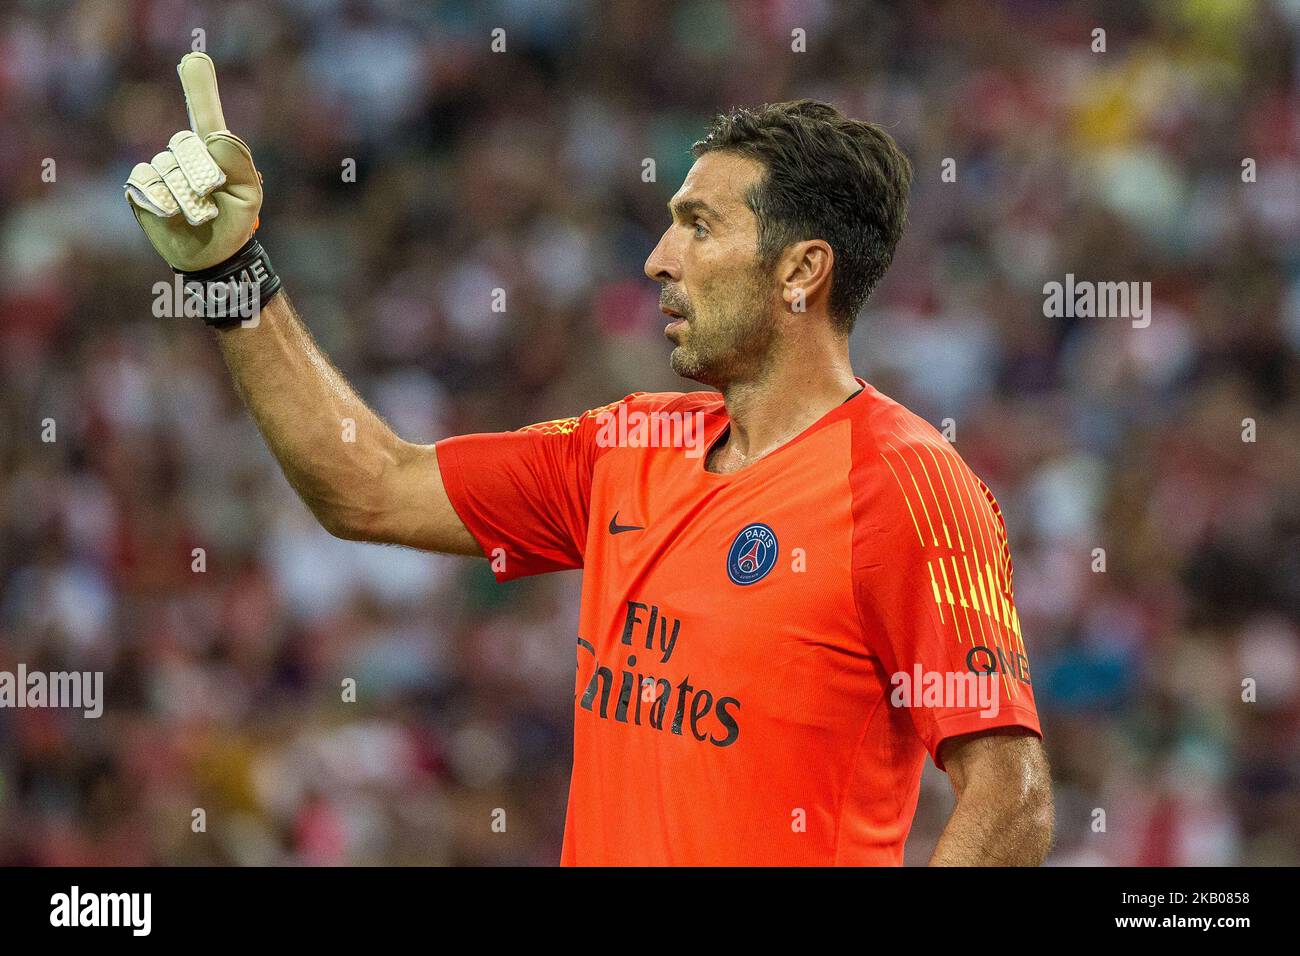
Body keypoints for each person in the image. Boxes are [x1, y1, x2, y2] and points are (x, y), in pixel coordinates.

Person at [126, 52, 1053, 865]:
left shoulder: (905, 483)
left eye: (698, 225)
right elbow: (367, 487)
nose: (657, 258)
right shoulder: (631, 444)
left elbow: (1010, 800)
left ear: (801, 271)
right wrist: (231, 274)